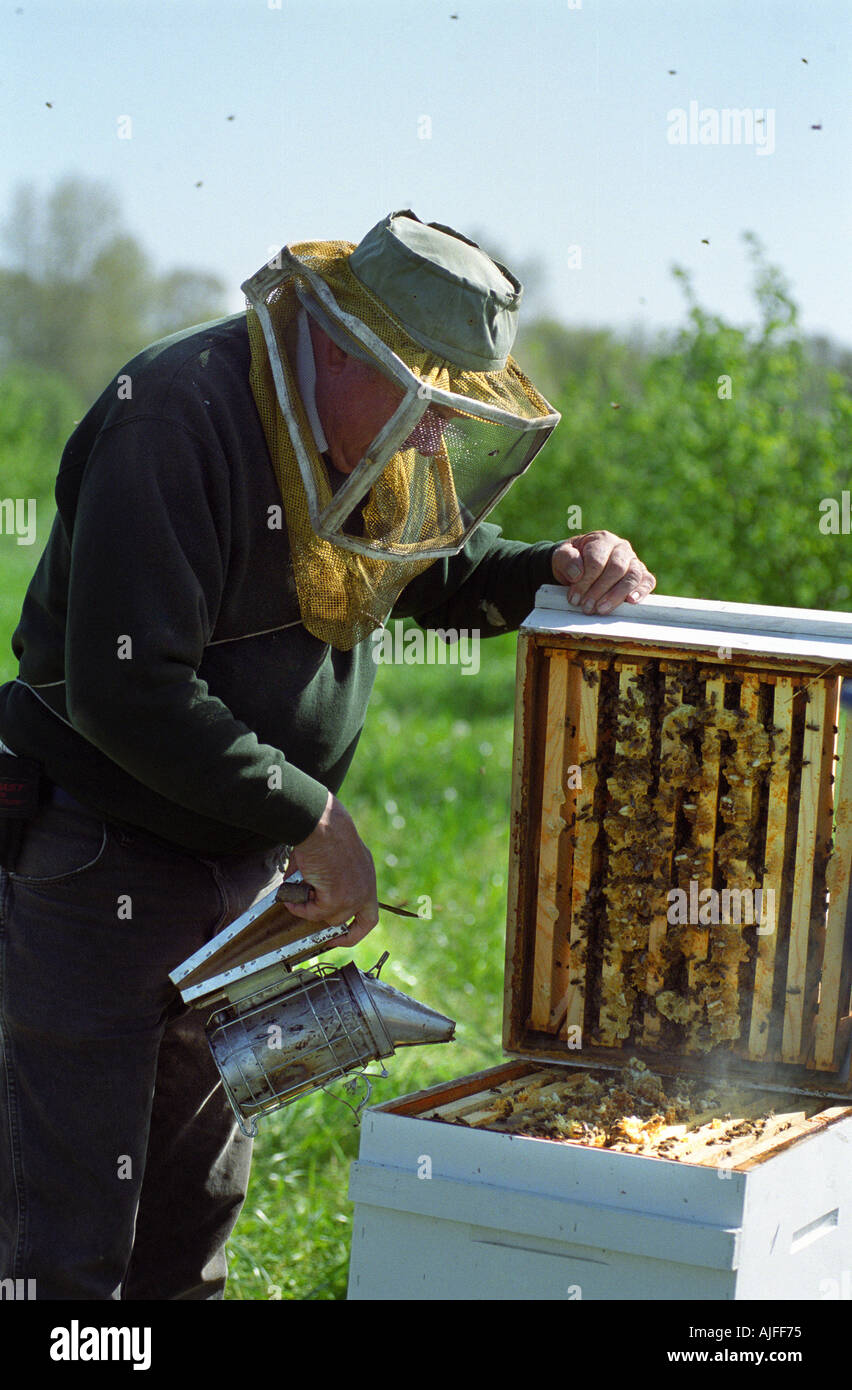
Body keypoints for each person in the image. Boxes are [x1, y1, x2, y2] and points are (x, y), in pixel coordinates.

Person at [0, 210, 655, 1300]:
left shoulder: (365, 425)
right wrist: (315, 817)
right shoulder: (174, 417)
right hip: (101, 857)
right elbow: (129, 685)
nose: (436, 441)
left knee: (191, 1218)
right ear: (343, 344)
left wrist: (554, 566)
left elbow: (435, 565)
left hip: (249, 875)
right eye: (428, 406)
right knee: (65, 1243)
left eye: (457, 414)